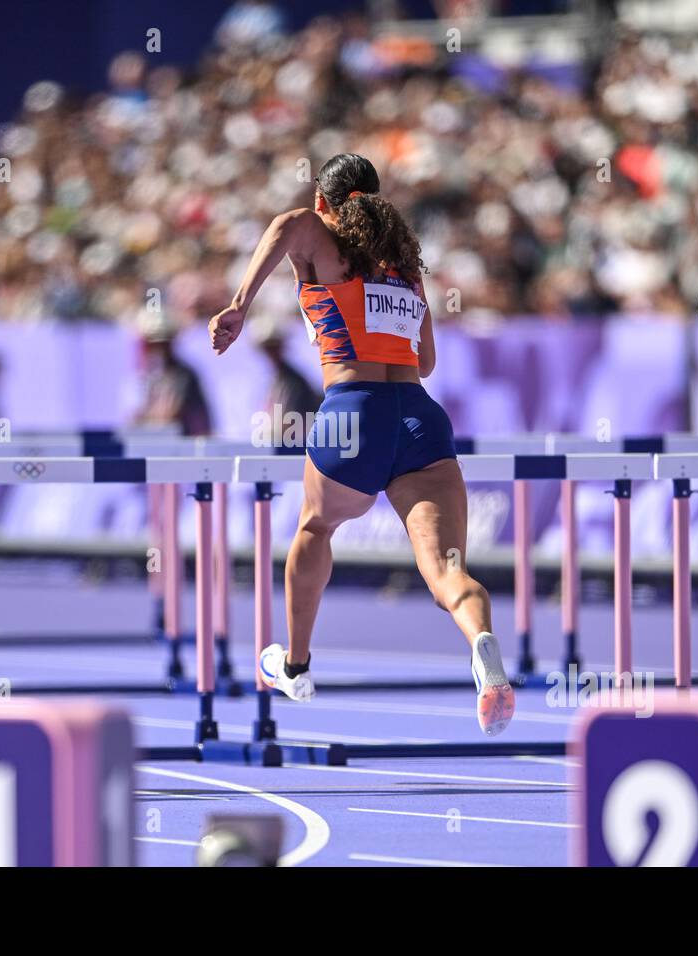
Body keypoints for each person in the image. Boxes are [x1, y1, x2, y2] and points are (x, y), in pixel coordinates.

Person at [209, 153, 513, 736]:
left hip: (352, 413)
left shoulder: (322, 242)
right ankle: (483, 647)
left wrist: (240, 305)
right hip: (421, 419)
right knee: (447, 568)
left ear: (325, 203)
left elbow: (284, 226)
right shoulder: (403, 267)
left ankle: (295, 665)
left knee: (314, 529)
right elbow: (424, 361)